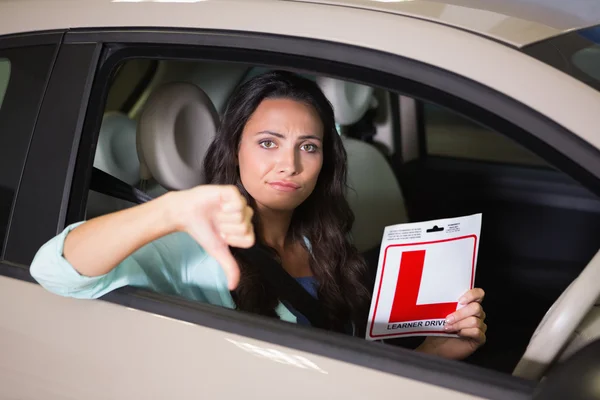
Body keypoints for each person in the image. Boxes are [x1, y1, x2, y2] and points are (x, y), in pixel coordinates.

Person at [30, 70, 486, 360]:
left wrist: (435, 353)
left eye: (308, 147)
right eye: (268, 142)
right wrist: (168, 209)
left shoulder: (321, 244)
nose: (289, 164)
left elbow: (345, 371)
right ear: (235, 148)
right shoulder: (189, 248)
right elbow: (53, 271)